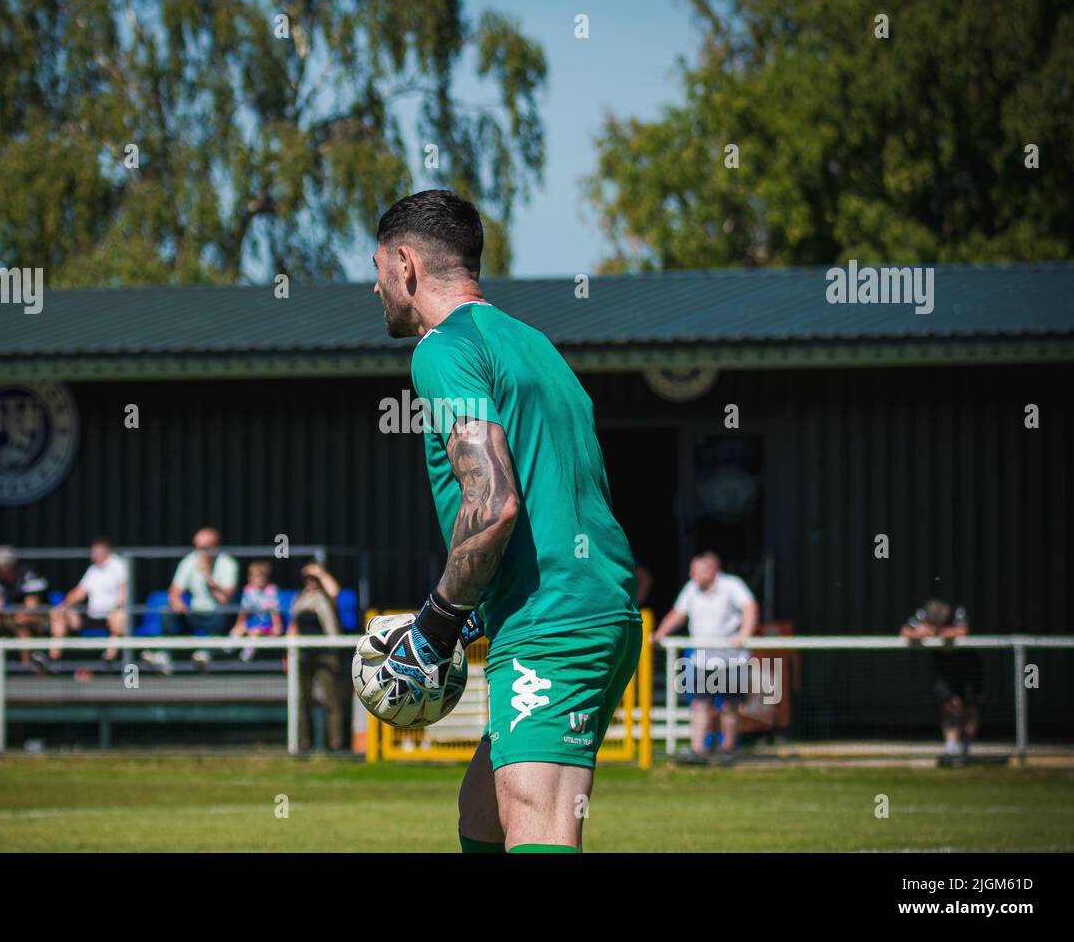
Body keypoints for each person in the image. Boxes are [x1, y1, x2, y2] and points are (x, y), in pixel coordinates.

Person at [365, 190, 642, 852]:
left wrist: (433, 627)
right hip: (594, 610)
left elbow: (495, 504)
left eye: (376, 270)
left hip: (554, 623)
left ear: (404, 263)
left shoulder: (442, 348)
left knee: (538, 821)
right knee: (483, 810)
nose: (375, 289)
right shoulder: (533, 344)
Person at [652, 552, 758, 757]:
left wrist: (744, 634)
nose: (691, 574)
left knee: (730, 707)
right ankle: (698, 751)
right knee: (699, 704)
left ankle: (728, 751)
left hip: (732, 659)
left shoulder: (732, 585)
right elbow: (678, 614)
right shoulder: (691, 588)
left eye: (696, 570)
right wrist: (660, 633)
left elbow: (750, 607)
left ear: (711, 570)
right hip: (702, 660)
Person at [900, 598, 981, 762]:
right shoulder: (922, 614)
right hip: (944, 667)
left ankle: (965, 750)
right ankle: (951, 749)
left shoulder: (959, 611)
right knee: (950, 706)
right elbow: (905, 631)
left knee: (969, 707)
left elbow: (962, 631)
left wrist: (935, 632)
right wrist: (919, 632)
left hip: (968, 665)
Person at [159, 527, 239, 669]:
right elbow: (174, 590)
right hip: (194, 612)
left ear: (215, 546)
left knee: (224, 611)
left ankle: (206, 653)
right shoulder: (189, 561)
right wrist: (176, 601)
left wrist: (209, 577)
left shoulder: (228, 563)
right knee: (166, 610)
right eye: (197, 546)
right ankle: (165, 655)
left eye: (204, 547)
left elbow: (225, 599)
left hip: (217, 614)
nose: (199, 551)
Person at [288, 561, 346, 752]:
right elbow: (293, 625)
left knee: (331, 699)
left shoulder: (326, 598)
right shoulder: (300, 599)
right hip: (303, 654)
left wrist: (320, 572)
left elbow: (334, 590)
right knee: (303, 700)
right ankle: (303, 743)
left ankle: (335, 743)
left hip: (325, 654)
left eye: (314, 578)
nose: (311, 582)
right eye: (308, 578)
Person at [0, 547, 49, 672]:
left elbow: (31, 607)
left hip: (38, 619)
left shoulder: (29, 575)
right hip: (11, 617)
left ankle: (27, 666)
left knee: (22, 620)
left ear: (5, 568)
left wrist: (9, 612)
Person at [53, 538, 128, 662]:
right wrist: (63, 606)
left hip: (111, 615)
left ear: (105, 551)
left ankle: (110, 656)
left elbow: (124, 591)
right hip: (91, 615)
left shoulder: (118, 565)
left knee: (118, 616)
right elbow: (79, 592)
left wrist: (116, 608)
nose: (92, 555)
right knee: (58, 613)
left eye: (95, 552)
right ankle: (52, 659)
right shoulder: (93, 569)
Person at [230, 561, 282, 662]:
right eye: (257, 577)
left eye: (262, 577)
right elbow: (243, 612)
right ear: (250, 578)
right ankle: (228, 649)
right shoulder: (248, 591)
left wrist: (277, 626)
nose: (260, 580)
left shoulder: (271, 590)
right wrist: (239, 624)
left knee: (255, 632)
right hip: (253, 620)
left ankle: (246, 656)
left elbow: (274, 612)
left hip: (267, 623)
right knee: (238, 629)